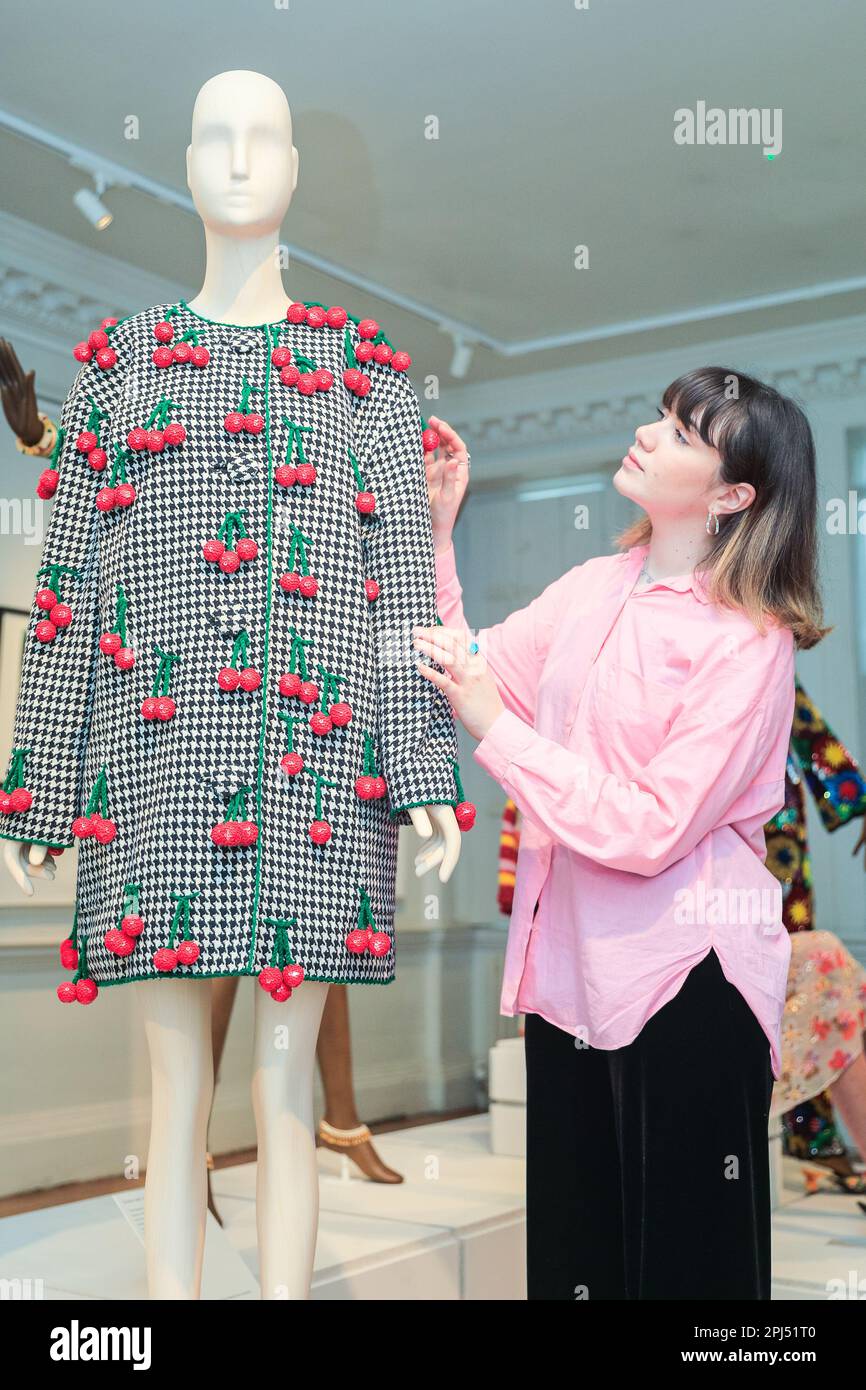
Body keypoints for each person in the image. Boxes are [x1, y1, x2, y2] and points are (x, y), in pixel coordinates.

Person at [415, 367, 830, 1300]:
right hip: (567, 976)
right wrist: (440, 533)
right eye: (661, 416)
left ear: (732, 495)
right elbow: (472, 667)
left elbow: (651, 826)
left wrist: (498, 726)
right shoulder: (595, 584)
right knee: (575, 1259)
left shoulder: (748, 642)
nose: (648, 433)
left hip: (686, 982)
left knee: (693, 1274)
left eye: (683, 433)